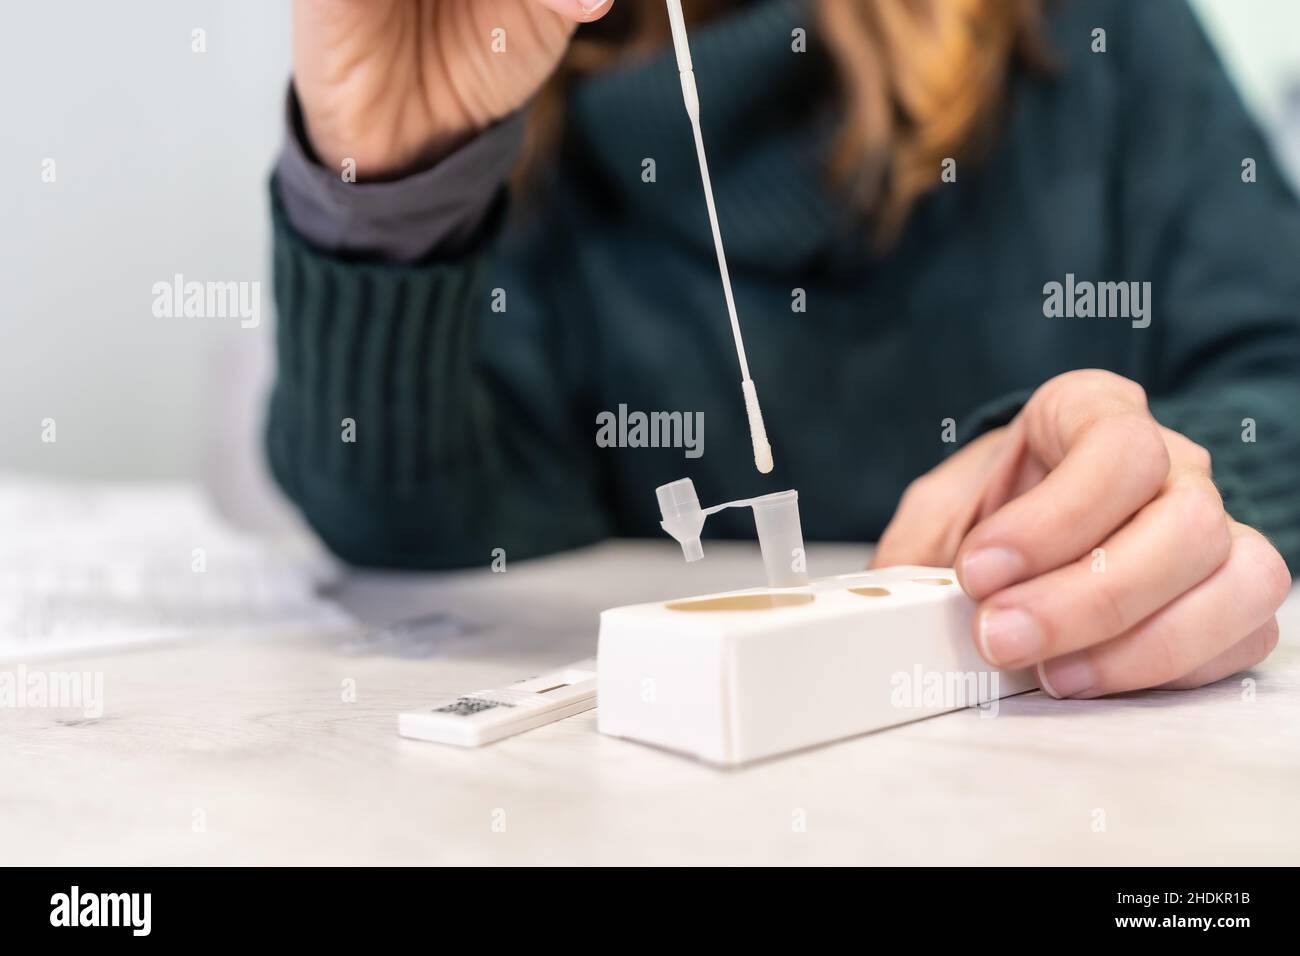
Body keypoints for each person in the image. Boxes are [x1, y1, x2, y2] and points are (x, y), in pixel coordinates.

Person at [268, 0, 1298, 699]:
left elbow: (1281, 381)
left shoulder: (1095, 37)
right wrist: (392, 199)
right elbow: (414, 530)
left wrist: (1155, 497)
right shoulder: (509, 86)